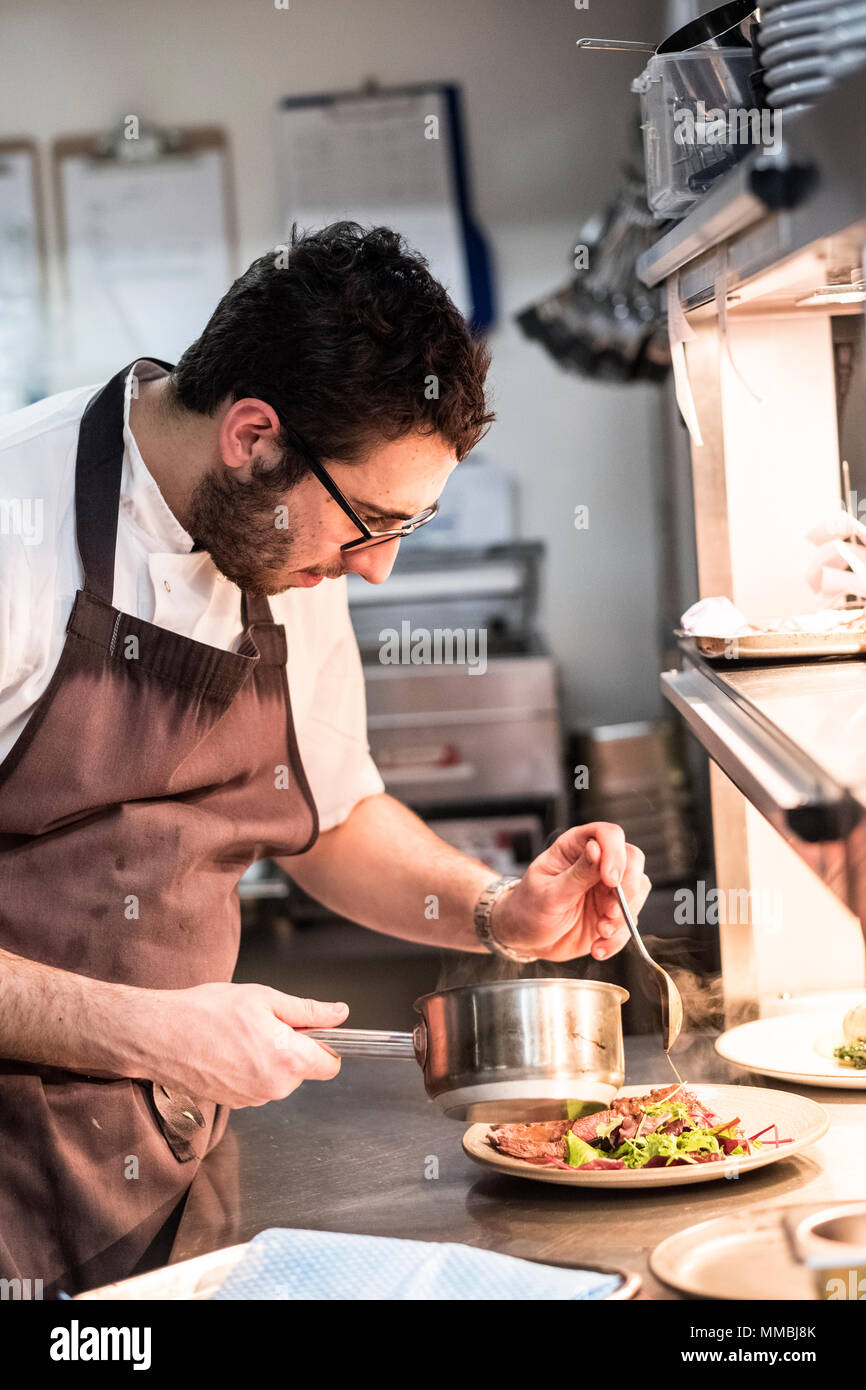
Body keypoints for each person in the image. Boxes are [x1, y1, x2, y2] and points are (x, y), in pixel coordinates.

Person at [0, 222, 650, 1295]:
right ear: (252, 437)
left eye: (410, 526)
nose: (379, 570)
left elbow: (331, 814)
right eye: (367, 525)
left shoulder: (294, 558)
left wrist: (497, 910)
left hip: (172, 1153)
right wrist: (147, 1027)